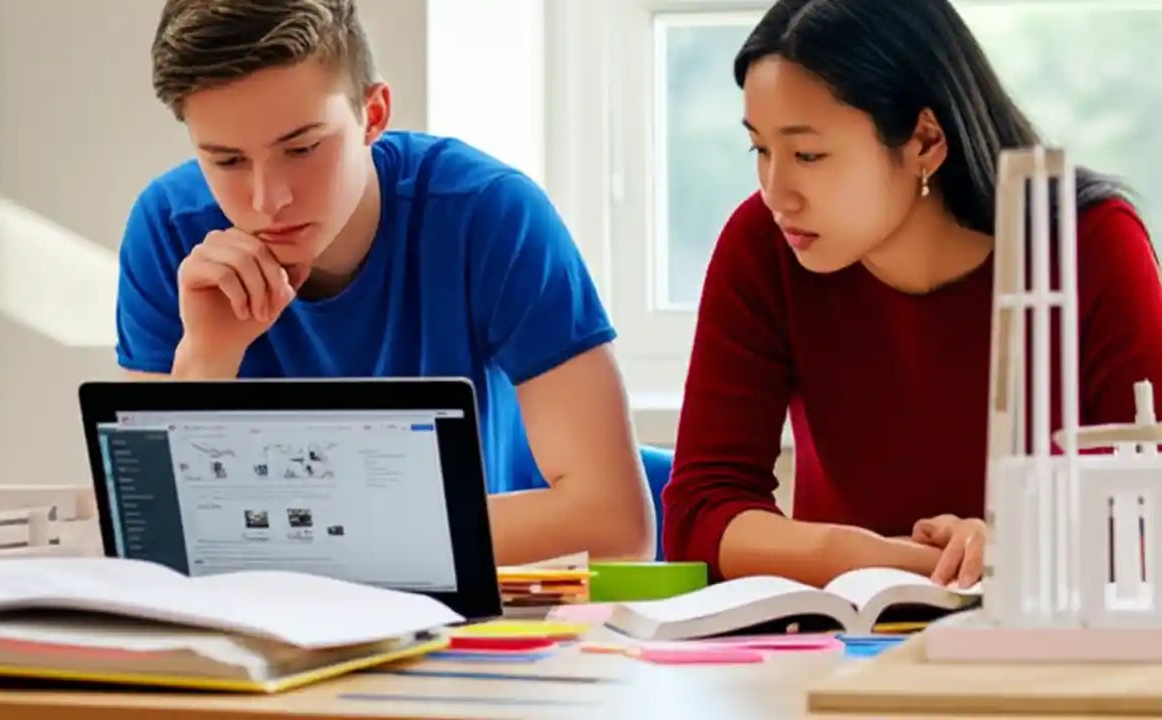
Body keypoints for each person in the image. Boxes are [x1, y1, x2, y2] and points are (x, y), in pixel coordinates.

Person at [114, 0, 654, 565]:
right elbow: (153, 545)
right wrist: (206, 357)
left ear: (373, 114)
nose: (267, 200)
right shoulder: (170, 230)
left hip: (482, 613)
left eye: (301, 149)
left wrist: (305, 534)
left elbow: (616, 529)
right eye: (226, 161)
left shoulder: (490, 214)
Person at [662, 0, 1162, 589]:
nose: (777, 193)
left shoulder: (1088, 243)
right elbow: (700, 513)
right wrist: (884, 556)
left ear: (925, 141)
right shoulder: (764, 246)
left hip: (1055, 641)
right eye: (761, 151)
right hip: (840, 645)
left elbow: (1145, 490)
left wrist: (1017, 541)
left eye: (808, 155)